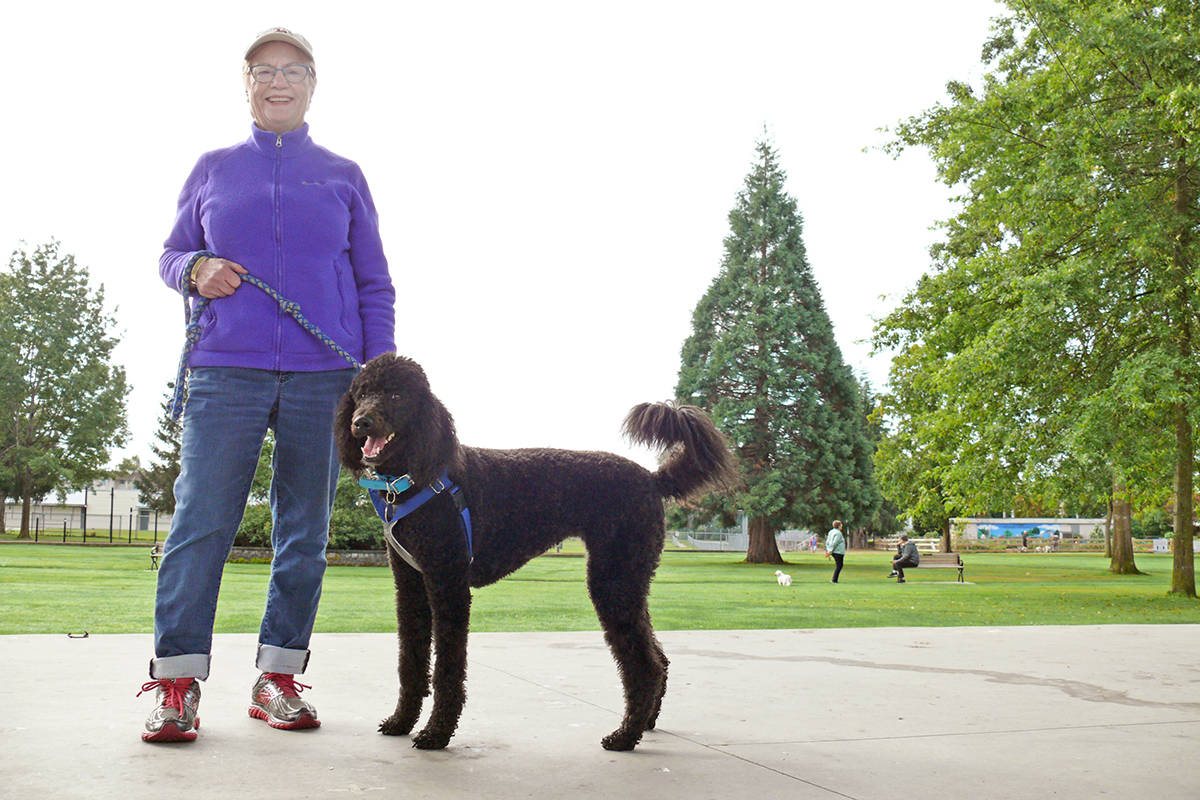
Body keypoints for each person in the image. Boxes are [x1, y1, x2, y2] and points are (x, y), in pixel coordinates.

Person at [140, 27, 396, 743]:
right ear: (246, 85)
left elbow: (374, 283)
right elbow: (170, 254)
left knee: (304, 530)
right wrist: (194, 268)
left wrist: (377, 377)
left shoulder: (344, 175)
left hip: (327, 378)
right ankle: (175, 686)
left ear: (312, 85)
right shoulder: (213, 168)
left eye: (292, 70)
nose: (277, 81)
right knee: (199, 524)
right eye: (263, 70)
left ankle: (277, 678)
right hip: (225, 370)